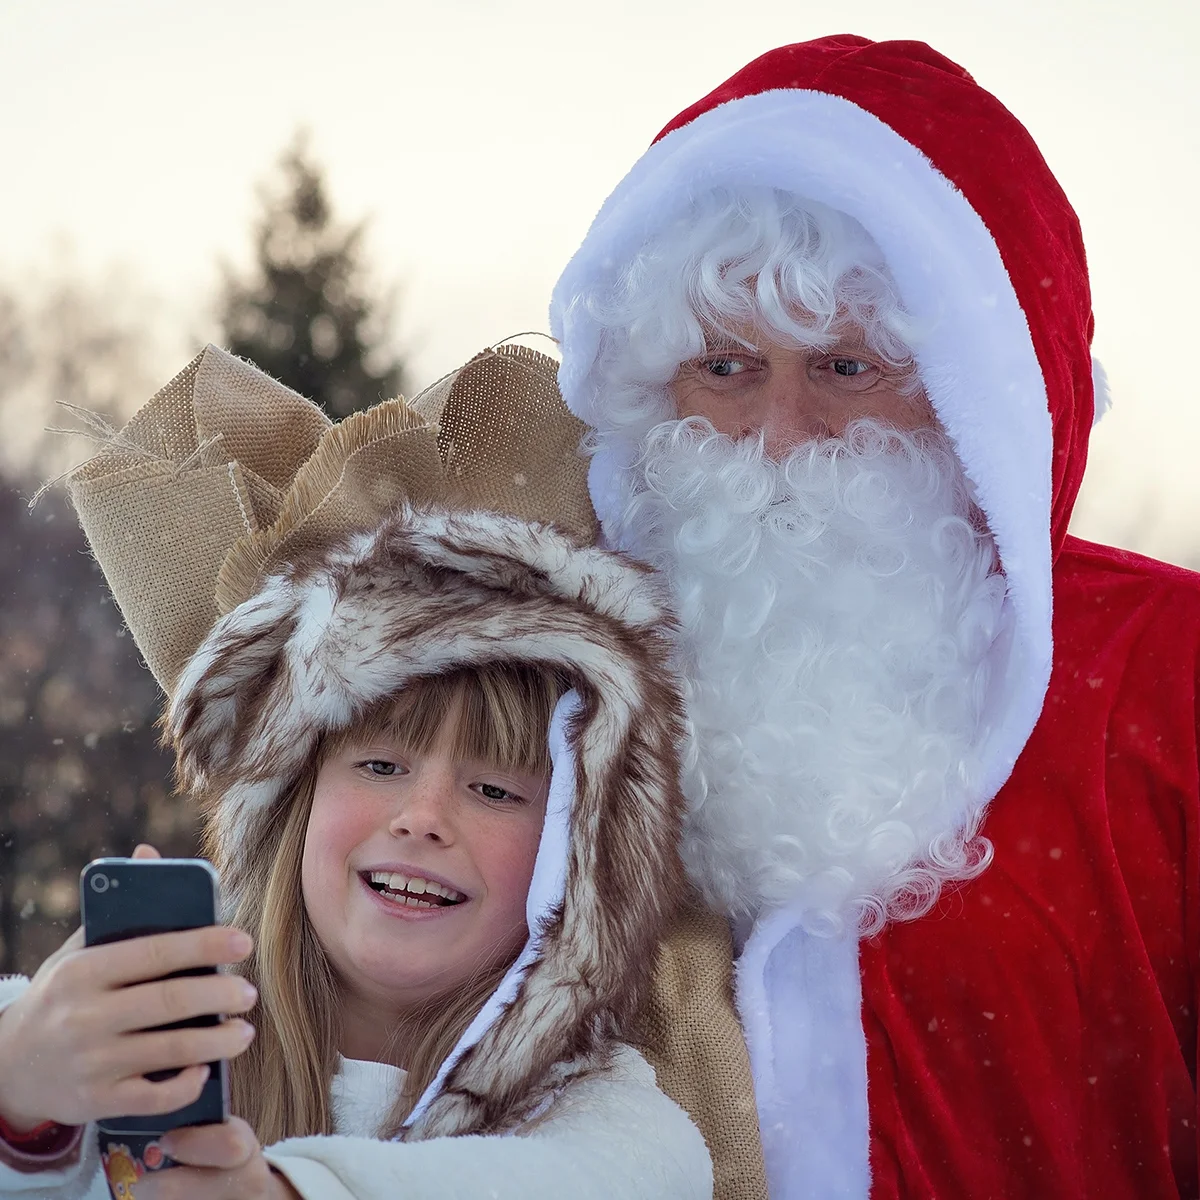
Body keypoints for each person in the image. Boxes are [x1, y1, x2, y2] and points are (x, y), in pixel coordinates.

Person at [550, 34, 1200, 1200]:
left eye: (847, 369)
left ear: (968, 401)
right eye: (727, 366)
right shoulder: (542, 683)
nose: (781, 438)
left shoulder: (1171, 682)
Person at [0, 345, 713, 1198]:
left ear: (579, 857)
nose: (422, 816)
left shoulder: (615, 1132)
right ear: (292, 805)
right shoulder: (135, 1048)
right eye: (379, 763)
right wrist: (24, 1095)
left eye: (495, 790)